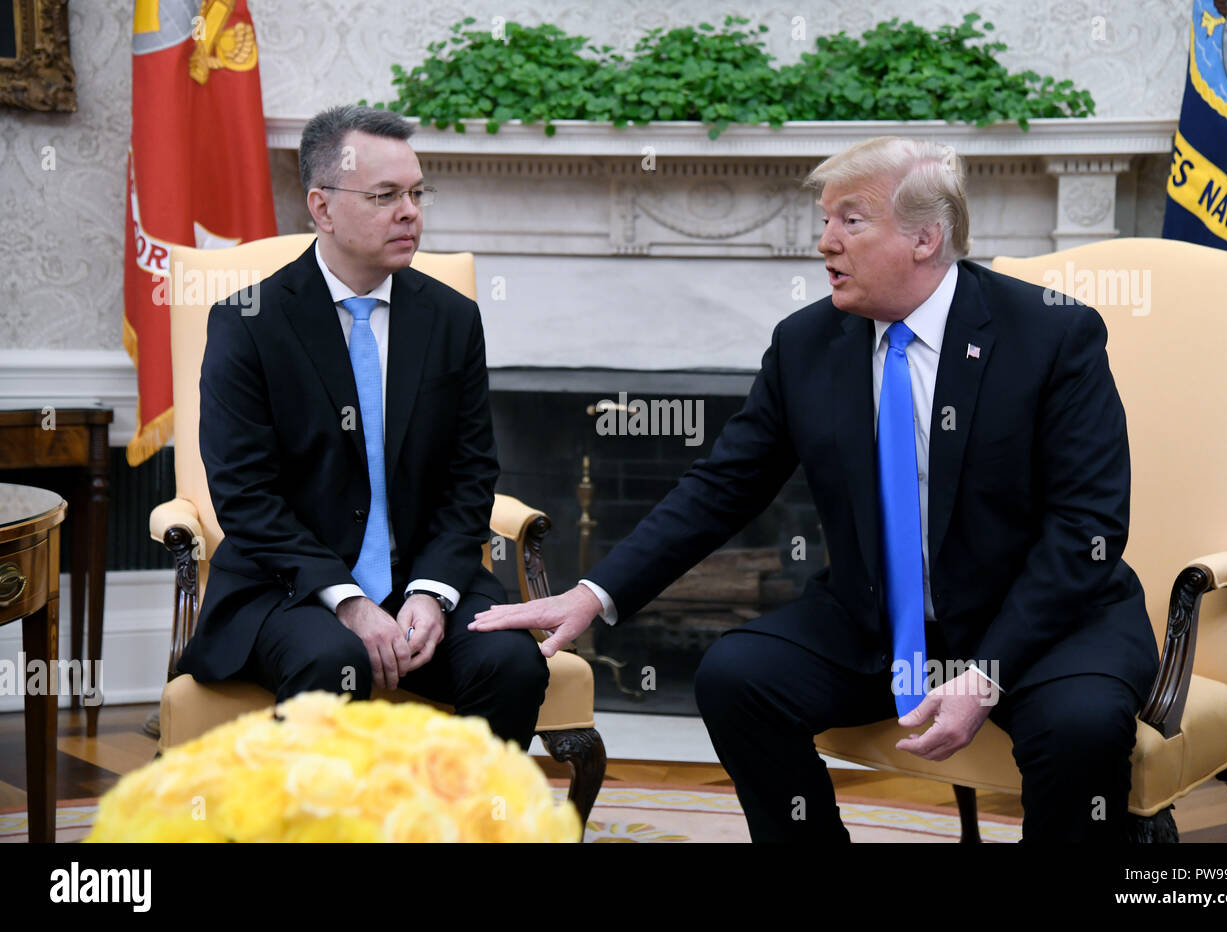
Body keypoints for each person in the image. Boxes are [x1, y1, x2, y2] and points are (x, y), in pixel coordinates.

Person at [471, 136, 1160, 840]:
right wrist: (594, 594)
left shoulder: (1051, 333)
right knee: (738, 677)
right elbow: (723, 485)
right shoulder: (808, 343)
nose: (824, 242)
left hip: (1046, 625)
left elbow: (1086, 528)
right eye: (824, 220)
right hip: (876, 620)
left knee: (1081, 729)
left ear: (925, 238)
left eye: (849, 221)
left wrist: (985, 673)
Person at [178, 105, 548, 748]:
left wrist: (432, 593)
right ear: (321, 207)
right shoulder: (249, 322)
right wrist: (348, 601)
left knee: (510, 661)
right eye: (385, 196)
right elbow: (244, 498)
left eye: (416, 193)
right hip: (288, 587)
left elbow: (471, 476)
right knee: (334, 661)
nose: (410, 212)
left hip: (424, 574)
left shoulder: (450, 319)